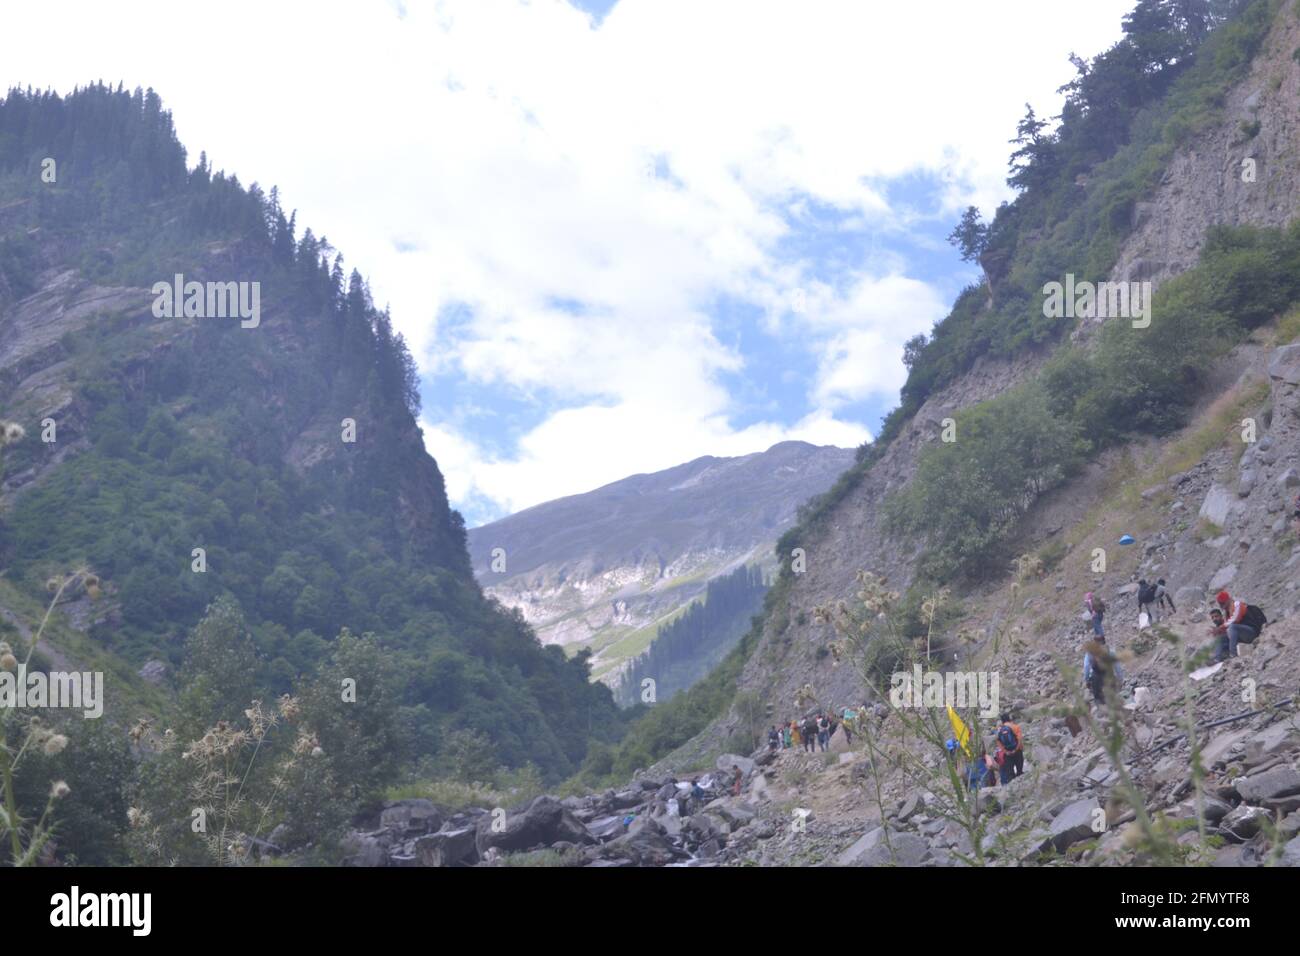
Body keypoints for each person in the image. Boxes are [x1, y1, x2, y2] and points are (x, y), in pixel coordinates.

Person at [1214, 590, 1266, 661]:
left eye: (1222, 603)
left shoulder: (1237, 604)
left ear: (1227, 600)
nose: (1221, 606)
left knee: (1233, 627)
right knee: (1220, 638)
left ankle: (1233, 654)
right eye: (1220, 604)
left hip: (1251, 632)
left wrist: (1221, 627)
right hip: (1241, 635)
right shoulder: (1227, 612)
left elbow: (1235, 619)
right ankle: (1217, 659)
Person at [1083, 638, 1124, 703]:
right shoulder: (1110, 651)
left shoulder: (1090, 653)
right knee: (1113, 697)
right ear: (1104, 642)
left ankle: (1101, 710)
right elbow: (1117, 666)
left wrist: (1087, 680)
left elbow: (1086, 667)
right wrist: (1120, 678)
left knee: (1098, 699)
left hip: (1096, 677)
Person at [997, 712, 1024, 783]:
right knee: (1020, 771)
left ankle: (1012, 788)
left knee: (1010, 774)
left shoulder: (999, 729)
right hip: (1017, 751)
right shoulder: (1015, 727)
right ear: (1009, 718)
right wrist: (1015, 749)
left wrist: (1006, 751)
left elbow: (999, 742)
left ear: (1002, 720)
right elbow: (1020, 740)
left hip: (1007, 754)